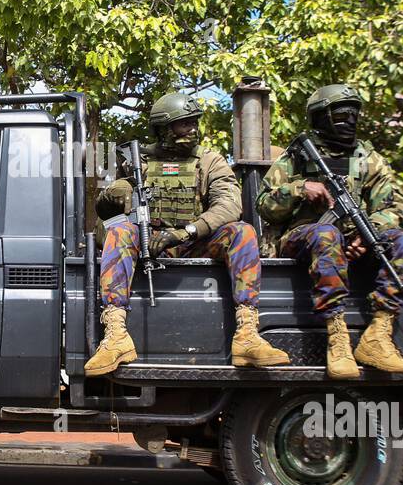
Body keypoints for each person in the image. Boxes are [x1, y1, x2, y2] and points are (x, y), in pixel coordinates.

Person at [84, 91, 290, 375]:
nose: (192, 129)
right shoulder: (137, 160)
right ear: (163, 129)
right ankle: (116, 335)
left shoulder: (209, 161)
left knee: (241, 232)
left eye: (194, 122)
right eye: (184, 124)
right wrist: (114, 196)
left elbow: (229, 204)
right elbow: (106, 217)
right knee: (119, 232)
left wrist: (185, 232)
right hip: (148, 242)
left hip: (194, 241)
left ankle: (247, 335)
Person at [257, 84, 403, 379]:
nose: (352, 121)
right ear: (321, 117)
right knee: (325, 234)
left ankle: (378, 334)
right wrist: (298, 189)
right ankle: (337, 336)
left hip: (357, 239)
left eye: (356, 114)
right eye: (344, 114)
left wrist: (367, 237)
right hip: (304, 238)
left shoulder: (369, 159)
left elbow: (395, 207)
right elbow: (264, 205)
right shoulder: (295, 158)